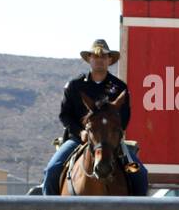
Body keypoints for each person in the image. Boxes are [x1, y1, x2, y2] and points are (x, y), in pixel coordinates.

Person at [42, 39, 148, 196]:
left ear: (110, 60)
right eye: (95, 57)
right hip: (78, 139)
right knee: (52, 170)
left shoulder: (119, 87)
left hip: (112, 142)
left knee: (140, 174)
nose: (99, 60)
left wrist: (113, 135)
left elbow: (124, 117)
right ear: (89, 59)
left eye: (104, 57)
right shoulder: (75, 86)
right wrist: (81, 132)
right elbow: (65, 115)